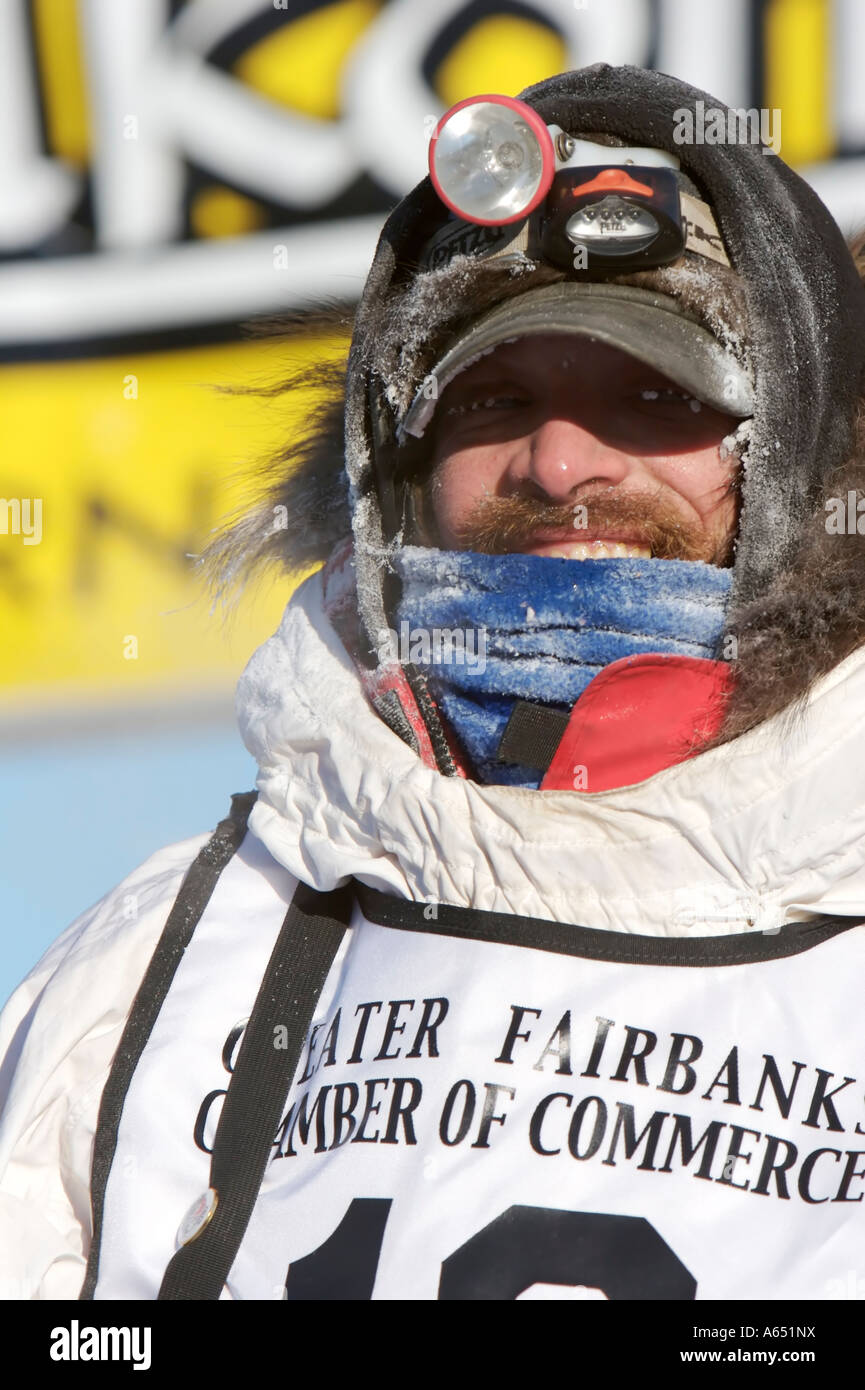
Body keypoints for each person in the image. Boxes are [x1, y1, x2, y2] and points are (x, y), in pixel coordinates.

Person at [2, 62, 865, 1302]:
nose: (561, 461)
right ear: (396, 477)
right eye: (493, 399)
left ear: (789, 469)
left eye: (653, 395)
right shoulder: (168, 969)